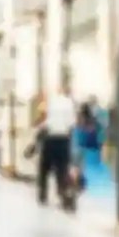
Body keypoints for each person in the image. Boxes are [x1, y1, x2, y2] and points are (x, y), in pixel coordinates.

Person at [38, 82, 78, 210]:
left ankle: (43, 194)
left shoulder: (49, 101)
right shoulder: (69, 103)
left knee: (44, 167)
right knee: (62, 168)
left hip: (50, 137)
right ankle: (62, 193)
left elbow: (43, 120)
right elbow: (72, 123)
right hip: (64, 139)